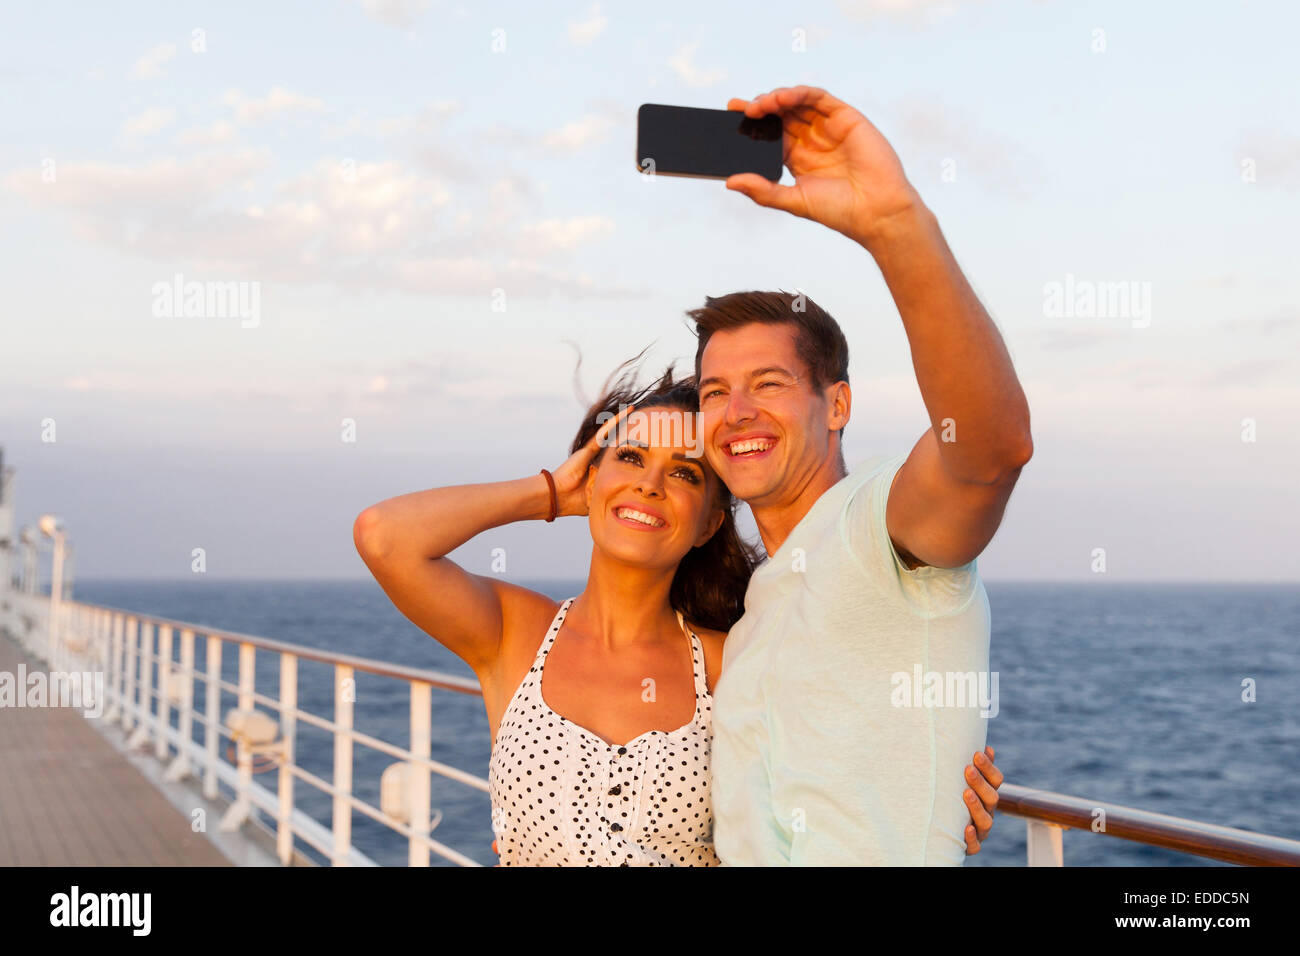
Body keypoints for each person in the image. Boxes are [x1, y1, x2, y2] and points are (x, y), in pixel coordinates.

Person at [352, 364, 1002, 866]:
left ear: (708, 523)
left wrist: (940, 794)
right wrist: (550, 490)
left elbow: (851, 764)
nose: (650, 484)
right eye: (630, 459)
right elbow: (385, 537)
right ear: (592, 478)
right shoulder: (514, 633)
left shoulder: (733, 662)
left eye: (686, 474)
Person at [691, 86, 1032, 865]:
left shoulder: (877, 524)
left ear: (836, 402)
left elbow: (990, 450)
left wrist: (893, 226)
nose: (736, 411)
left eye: (769, 384)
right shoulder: (753, 614)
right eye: (715, 393)